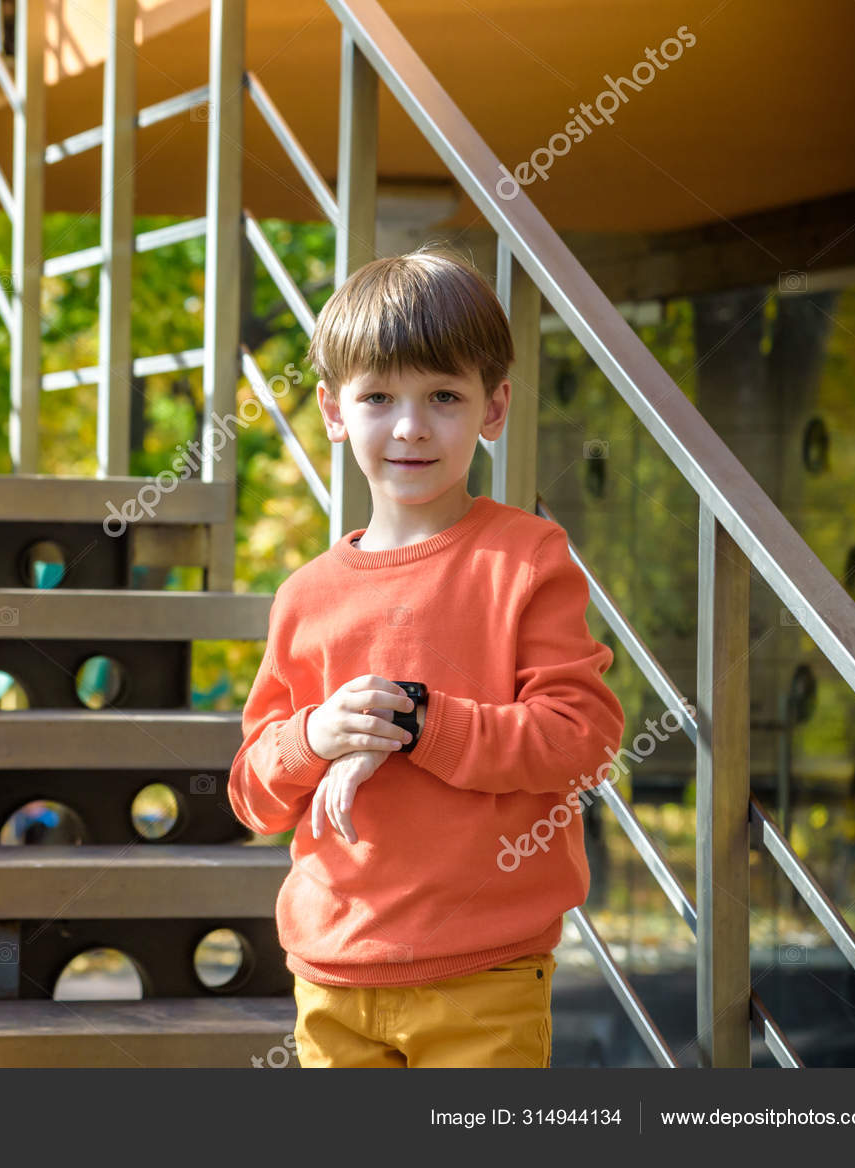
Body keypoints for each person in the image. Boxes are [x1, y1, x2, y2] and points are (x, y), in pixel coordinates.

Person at [228, 248, 625, 1068]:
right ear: (335, 412)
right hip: (332, 978)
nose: (410, 426)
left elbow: (582, 739)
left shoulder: (528, 558)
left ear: (494, 406)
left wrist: (419, 719)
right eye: (380, 397)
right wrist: (317, 735)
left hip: (487, 979)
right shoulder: (305, 594)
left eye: (443, 396)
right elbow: (252, 796)